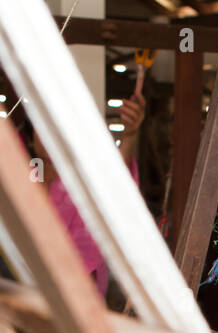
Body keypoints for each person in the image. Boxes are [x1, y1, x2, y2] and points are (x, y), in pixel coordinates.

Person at [22, 93, 146, 298]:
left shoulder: (83, 180)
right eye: (41, 128)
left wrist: (129, 135)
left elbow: (116, 181)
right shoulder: (23, 178)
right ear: (30, 137)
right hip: (31, 293)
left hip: (82, 297)